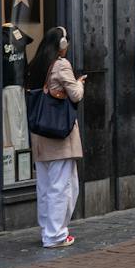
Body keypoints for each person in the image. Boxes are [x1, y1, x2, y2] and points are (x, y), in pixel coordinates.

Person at [26, 25, 85, 249]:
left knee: (45, 185)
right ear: (61, 44)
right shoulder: (61, 65)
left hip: (40, 136)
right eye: (66, 41)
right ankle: (56, 235)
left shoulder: (36, 65)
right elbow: (76, 95)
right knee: (64, 186)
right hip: (59, 136)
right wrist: (79, 83)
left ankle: (47, 229)